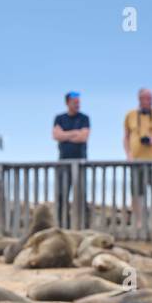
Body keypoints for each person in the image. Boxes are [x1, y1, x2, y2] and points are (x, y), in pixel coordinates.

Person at [122, 88, 152, 229]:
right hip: (136, 161)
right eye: (147, 99)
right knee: (137, 193)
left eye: (151, 98)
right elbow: (125, 137)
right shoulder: (130, 115)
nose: (150, 101)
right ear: (140, 100)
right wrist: (128, 154)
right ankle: (138, 224)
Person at [52, 91, 90, 226]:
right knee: (62, 196)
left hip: (80, 163)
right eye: (75, 103)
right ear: (67, 103)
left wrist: (65, 135)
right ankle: (63, 225)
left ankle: (83, 225)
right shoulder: (59, 118)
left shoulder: (84, 118)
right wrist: (75, 133)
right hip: (63, 162)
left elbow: (83, 137)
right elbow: (56, 135)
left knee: (81, 195)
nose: (77, 105)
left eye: (79, 103)